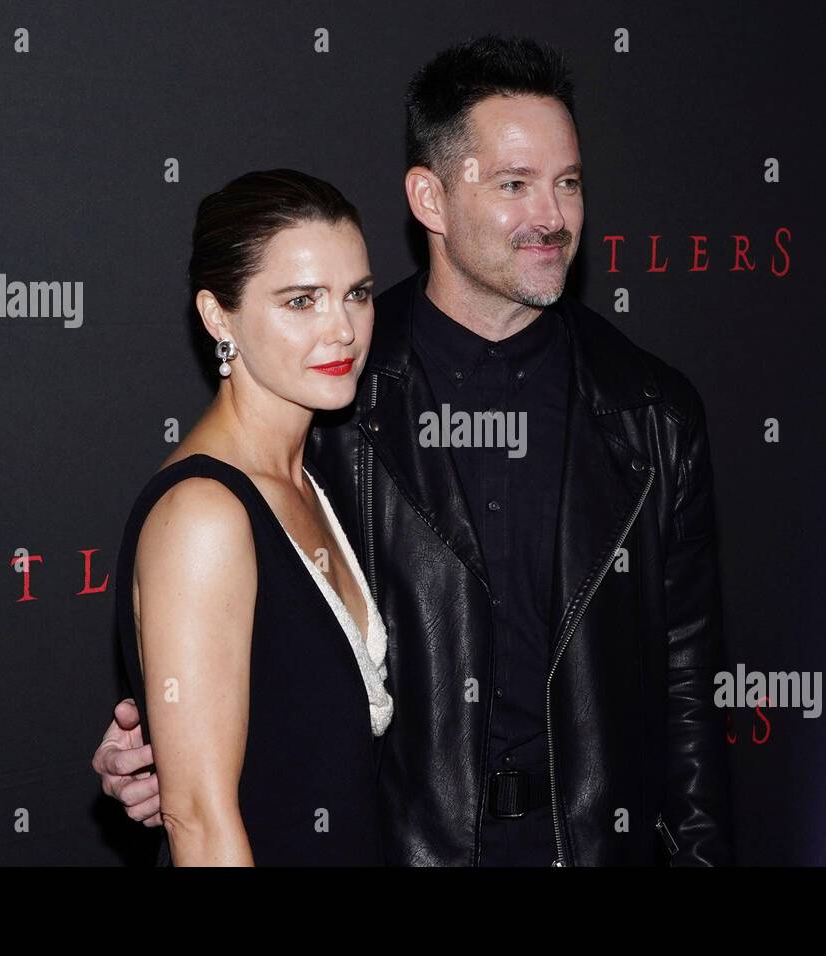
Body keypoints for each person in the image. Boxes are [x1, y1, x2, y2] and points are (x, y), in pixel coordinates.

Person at [95, 33, 732, 867]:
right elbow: (249, 666)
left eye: (568, 183)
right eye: (514, 184)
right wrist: (172, 758)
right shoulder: (327, 407)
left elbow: (689, 692)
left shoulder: (653, 412)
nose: (552, 215)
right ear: (430, 199)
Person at [110, 168, 392, 866]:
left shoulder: (313, 482)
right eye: (301, 301)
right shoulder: (203, 514)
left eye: (357, 294)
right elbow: (200, 825)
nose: (342, 329)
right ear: (217, 316)